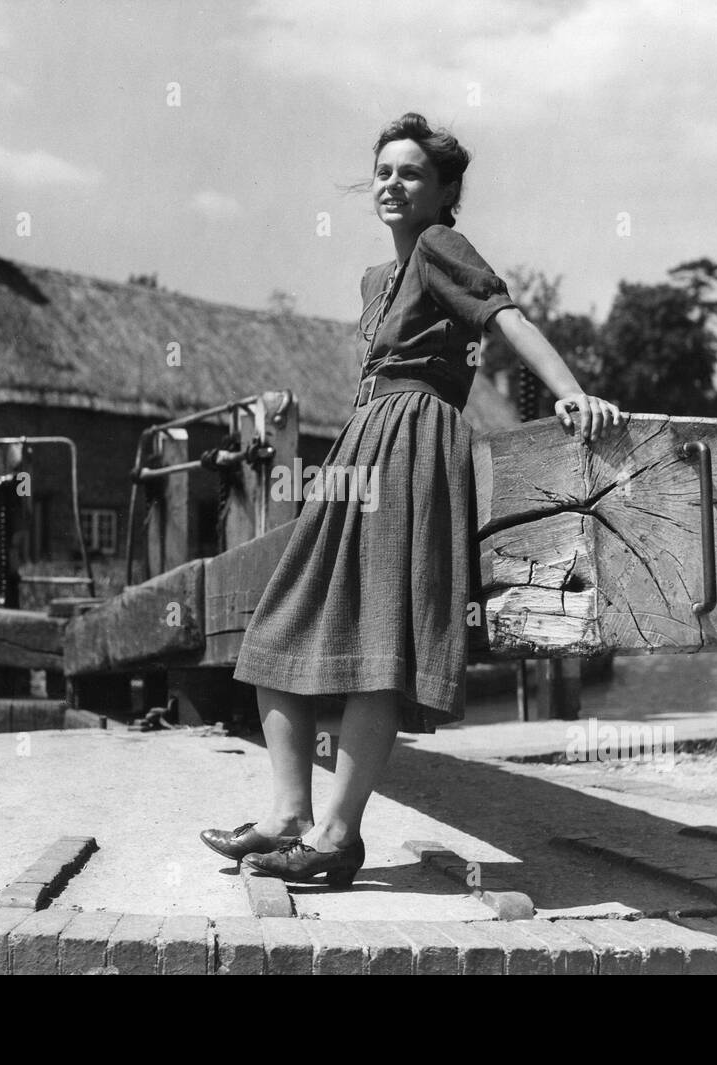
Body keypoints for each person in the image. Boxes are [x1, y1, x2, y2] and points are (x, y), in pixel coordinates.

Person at [202, 113, 624, 888]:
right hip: (361, 444)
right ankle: (287, 816)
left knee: (382, 636)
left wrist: (570, 393)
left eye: (411, 174)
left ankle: (336, 833)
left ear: (445, 191)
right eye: (384, 173)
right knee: (279, 622)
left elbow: (506, 317)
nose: (393, 185)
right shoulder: (374, 280)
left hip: (414, 439)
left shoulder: (439, 247)